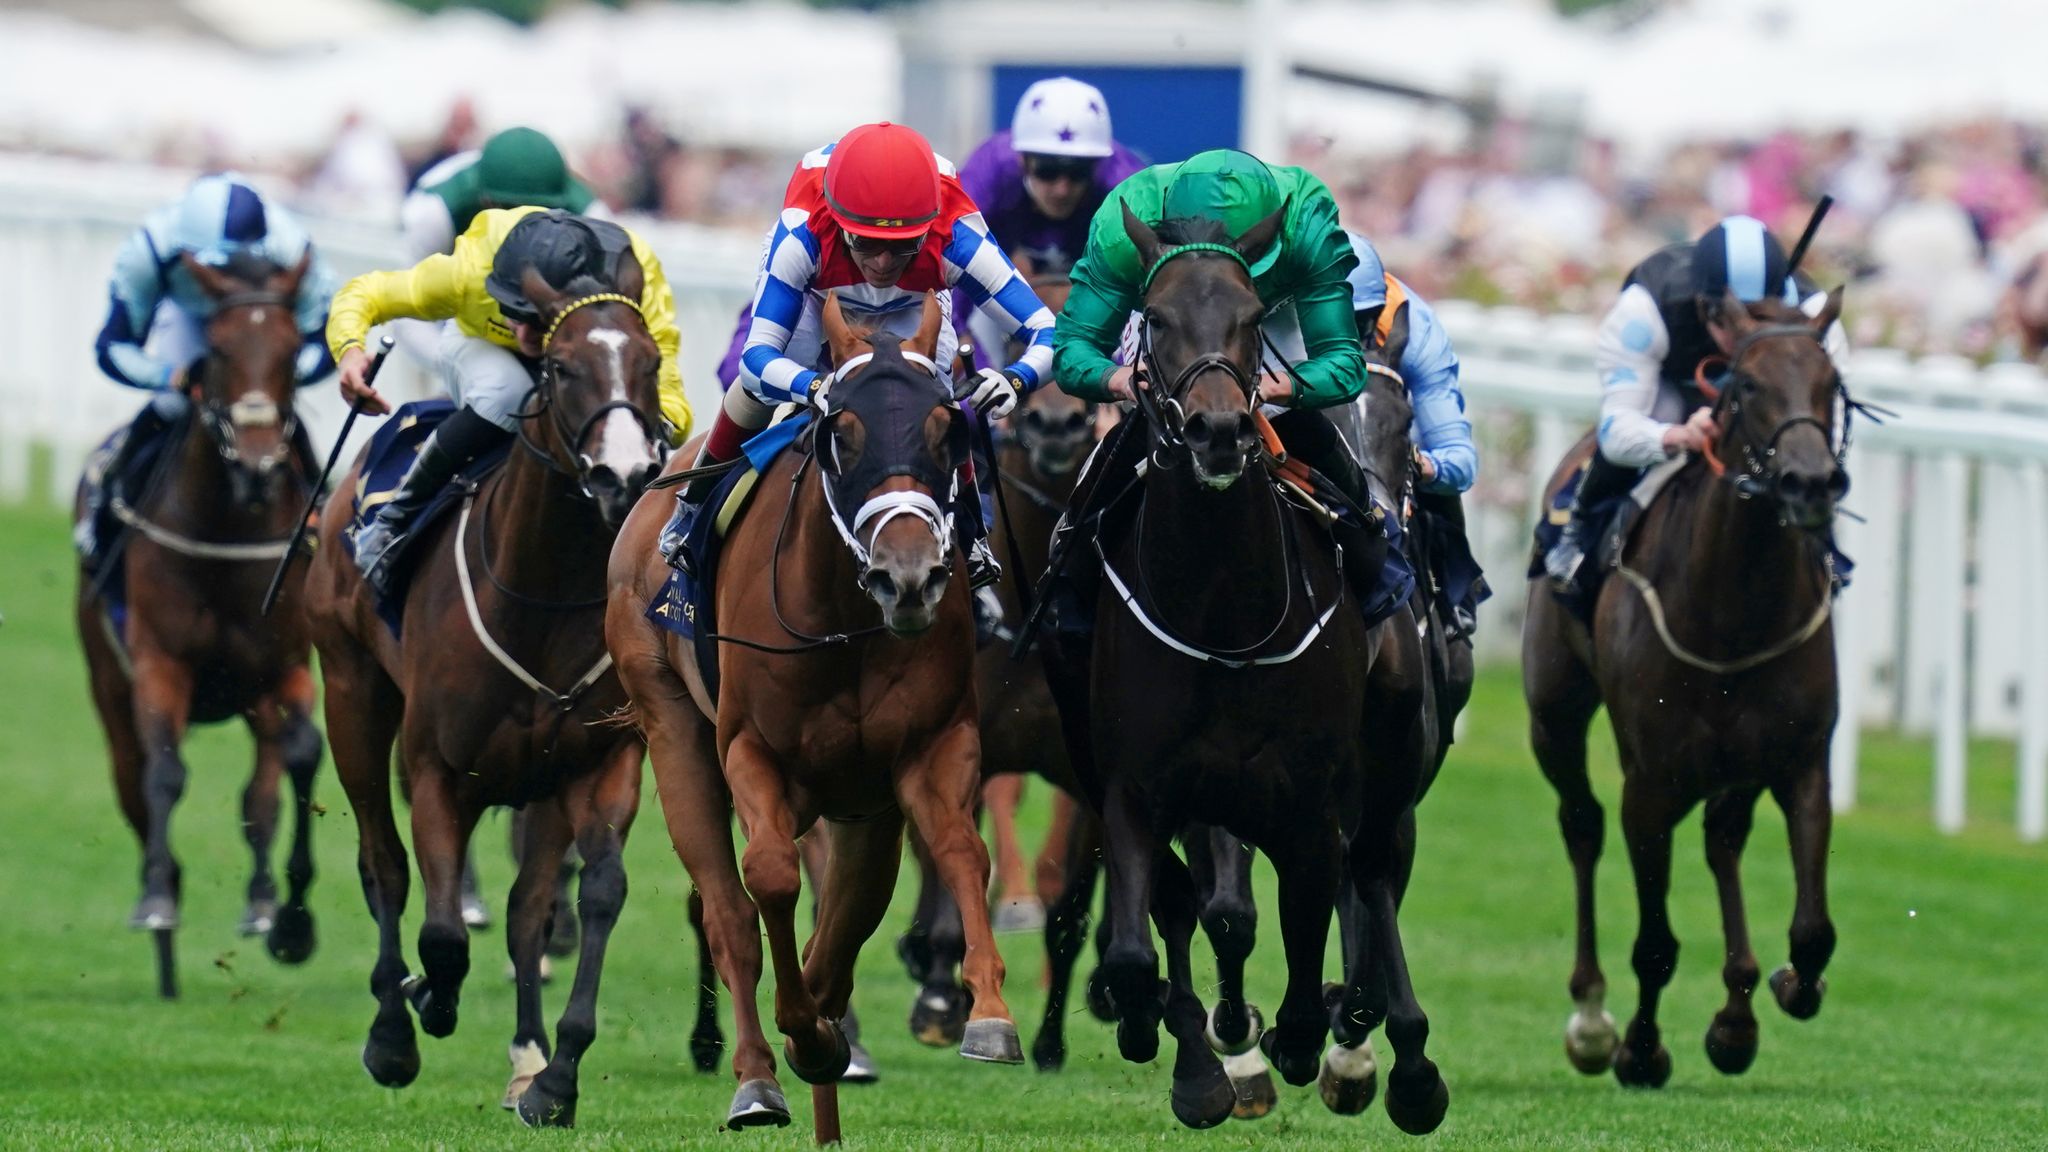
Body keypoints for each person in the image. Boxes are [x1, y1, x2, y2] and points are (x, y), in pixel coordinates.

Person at [669, 121, 1056, 591]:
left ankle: (970, 532)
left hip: (914, 301)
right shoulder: (802, 235)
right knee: (754, 392)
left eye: (901, 247)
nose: (882, 264)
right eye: (867, 243)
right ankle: (695, 507)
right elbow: (756, 360)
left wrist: (1015, 379)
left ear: (929, 228)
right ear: (836, 221)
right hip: (821, 292)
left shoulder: (956, 237)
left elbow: (1047, 331)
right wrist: (814, 385)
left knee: (938, 400)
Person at [326, 206, 690, 596]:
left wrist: (649, 431)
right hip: (478, 345)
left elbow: (664, 374)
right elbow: (366, 293)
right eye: (515, 312)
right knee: (509, 391)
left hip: (586, 349)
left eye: (536, 318)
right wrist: (349, 350)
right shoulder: (468, 272)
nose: (523, 331)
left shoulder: (637, 277)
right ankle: (393, 521)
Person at [1543, 214, 1848, 587]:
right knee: (1662, 415)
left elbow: (1827, 430)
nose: (1747, 334)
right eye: (1733, 321)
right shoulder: (1644, 312)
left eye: (1762, 317)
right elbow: (1617, 430)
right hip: (1671, 389)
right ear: (1705, 309)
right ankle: (1580, 530)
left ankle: (1823, 547)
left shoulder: (1815, 316)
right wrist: (1675, 437)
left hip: (1766, 402)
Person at [1054, 148, 1367, 499]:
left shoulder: (1307, 222)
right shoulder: (1120, 232)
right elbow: (1071, 349)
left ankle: (1375, 540)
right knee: (1142, 423)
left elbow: (1344, 364)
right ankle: (1071, 542)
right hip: (1172, 312)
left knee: (1305, 428)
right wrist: (1118, 378)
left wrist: (1275, 387)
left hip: (1266, 315)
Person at [80, 172, 341, 564]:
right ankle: (106, 510)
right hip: (187, 321)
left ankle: (321, 511)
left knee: (271, 412)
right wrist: (173, 376)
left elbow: (327, 343)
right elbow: (112, 347)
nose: (221, 279)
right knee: (170, 406)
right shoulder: (150, 249)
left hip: (260, 326)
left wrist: (271, 379)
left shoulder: (293, 251)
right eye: (208, 266)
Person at [1345, 231, 1482, 633]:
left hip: (1386, 430)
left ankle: (1453, 596)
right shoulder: (1281, 313)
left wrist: (1423, 465)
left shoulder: (1417, 333)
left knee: (1418, 466)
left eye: (1361, 320)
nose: (1352, 335)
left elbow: (1459, 460)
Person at [392, 127, 610, 371]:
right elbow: (407, 310)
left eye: (539, 213)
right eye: (510, 209)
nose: (523, 222)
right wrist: (451, 367)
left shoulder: (592, 218)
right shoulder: (434, 212)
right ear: (485, 201)